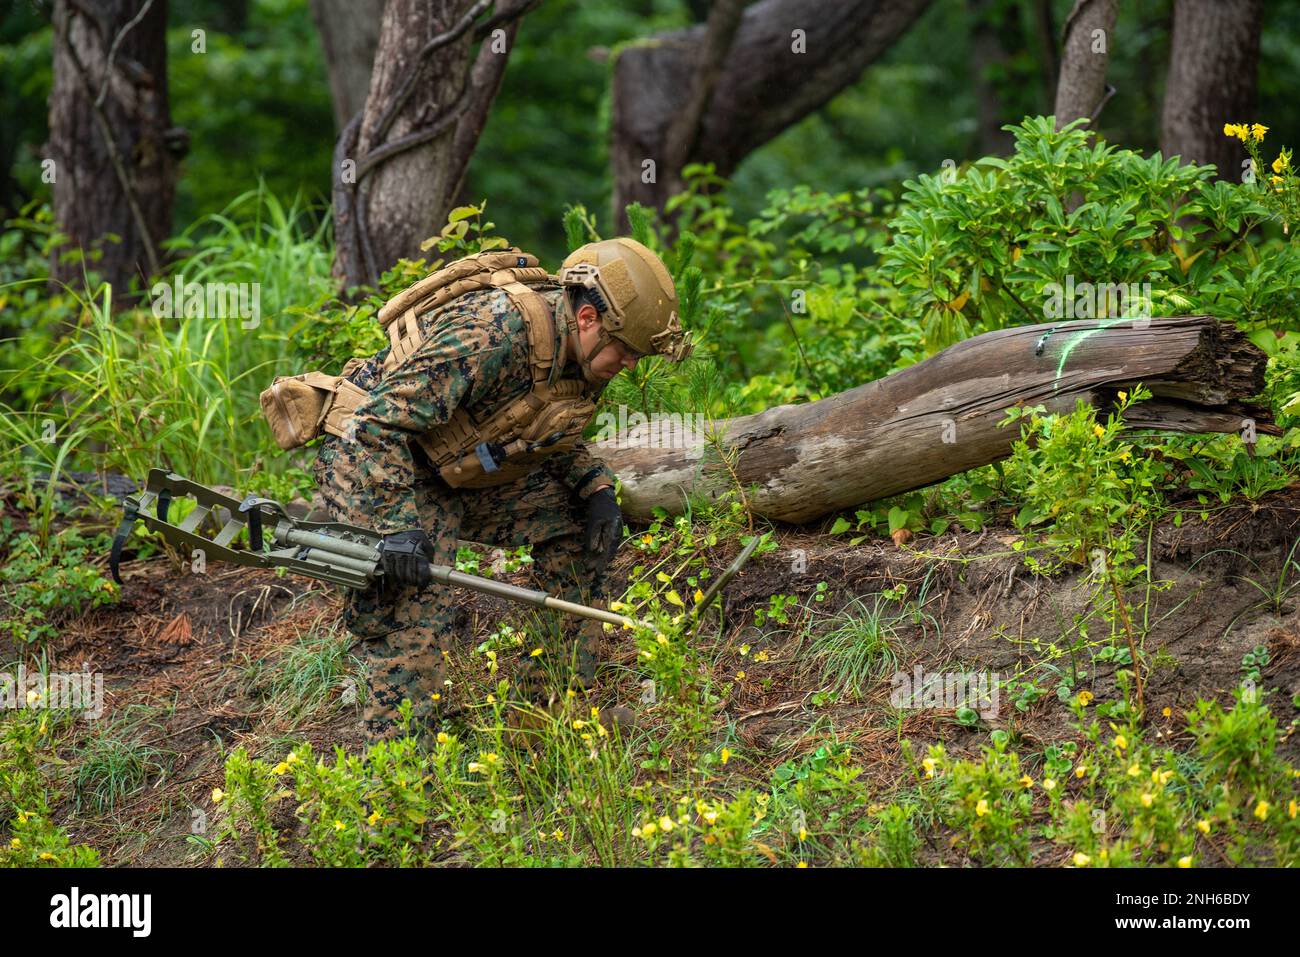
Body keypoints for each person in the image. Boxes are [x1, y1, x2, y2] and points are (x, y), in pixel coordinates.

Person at [312, 238, 692, 742]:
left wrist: (594, 487)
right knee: (414, 599)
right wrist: (398, 529)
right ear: (587, 319)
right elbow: (373, 427)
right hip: (374, 463)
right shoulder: (493, 332)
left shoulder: (583, 354)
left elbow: (545, 429)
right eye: (627, 353)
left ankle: (543, 714)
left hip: (456, 467)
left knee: (582, 529)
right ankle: (398, 778)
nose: (630, 366)